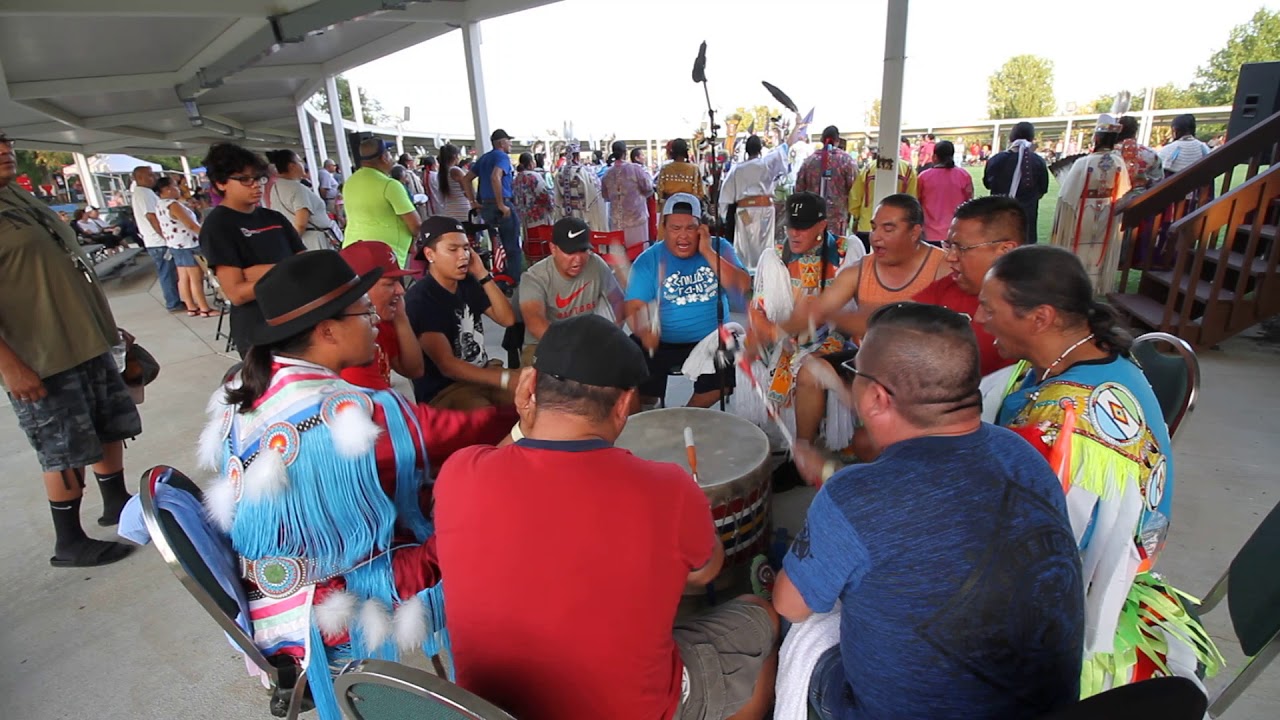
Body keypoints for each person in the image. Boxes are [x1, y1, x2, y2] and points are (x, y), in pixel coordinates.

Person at [434, 313, 780, 720]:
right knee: (761, 617)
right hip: (636, 708)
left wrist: (523, 423)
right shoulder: (667, 488)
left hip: (492, 711)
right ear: (623, 406)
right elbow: (706, 571)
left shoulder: (459, 472)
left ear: (529, 387)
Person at [774, 302, 1084, 720]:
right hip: (1049, 708)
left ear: (878, 398)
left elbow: (790, 605)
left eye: (856, 373)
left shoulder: (853, 496)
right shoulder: (1023, 455)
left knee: (788, 613)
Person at [198, 250, 447, 720]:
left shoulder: (255, 384)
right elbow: (441, 441)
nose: (375, 320)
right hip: (321, 605)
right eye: (365, 312)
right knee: (485, 541)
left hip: (277, 588)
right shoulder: (330, 411)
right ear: (326, 331)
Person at [981, 245, 1221, 697]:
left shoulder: (1069, 419)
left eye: (989, 308)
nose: (980, 317)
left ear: (1040, 317)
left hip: (1078, 613)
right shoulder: (1082, 357)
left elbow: (1040, 553)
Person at [0, 129, 139, 567]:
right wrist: (10, 367)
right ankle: (69, 541)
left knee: (108, 424)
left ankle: (116, 503)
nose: (6, 151)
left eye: (7, 143)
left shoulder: (18, 198)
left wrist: (105, 325)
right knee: (63, 446)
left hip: (86, 338)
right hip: (41, 355)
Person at [784, 194, 945, 448]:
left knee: (866, 445)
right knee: (810, 372)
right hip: (868, 363)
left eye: (888, 228)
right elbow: (819, 310)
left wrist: (833, 316)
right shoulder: (860, 269)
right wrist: (769, 331)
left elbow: (901, 324)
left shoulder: (942, 266)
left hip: (922, 372)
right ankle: (802, 452)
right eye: (874, 227)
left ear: (915, 232)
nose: (875, 236)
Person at [738, 192, 863, 451]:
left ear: (821, 225)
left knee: (811, 363)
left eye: (803, 228)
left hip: (836, 335)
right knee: (759, 351)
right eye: (790, 226)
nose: (794, 234)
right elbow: (757, 312)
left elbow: (859, 310)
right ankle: (797, 444)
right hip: (785, 335)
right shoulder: (774, 257)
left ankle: (808, 443)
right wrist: (774, 333)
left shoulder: (846, 251)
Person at [623, 193, 750, 409]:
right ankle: (646, 415)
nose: (683, 236)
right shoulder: (649, 259)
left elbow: (743, 287)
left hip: (712, 339)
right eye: (675, 228)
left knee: (729, 359)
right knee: (629, 358)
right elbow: (633, 307)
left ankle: (687, 416)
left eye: (690, 228)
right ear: (663, 228)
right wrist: (645, 331)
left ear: (701, 228)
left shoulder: (720, 248)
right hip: (662, 341)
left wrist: (708, 252)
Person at [198, 143, 306, 355]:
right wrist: (287, 269)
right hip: (258, 332)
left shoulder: (274, 218)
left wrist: (261, 272)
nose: (256, 185)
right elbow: (237, 293)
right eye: (245, 179)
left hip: (296, 321)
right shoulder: (218, 226)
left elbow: (305, 267)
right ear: (221, 183)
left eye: (258, 178)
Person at [405, 216, 517, 408]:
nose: (463, 255)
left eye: (466, 248)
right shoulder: (421, 298)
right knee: (486, 415)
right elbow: (448, 366)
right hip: (446, 390)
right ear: (430, 254)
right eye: (453, 249)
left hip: (482, 375)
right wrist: (503, 379)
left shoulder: (467, 283)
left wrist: (482, 274)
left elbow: (507, 319)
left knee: (537, 394)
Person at [517, 217, 624, 366]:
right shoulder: (534, 277)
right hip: (542, 344)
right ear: (553, 249)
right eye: (570, 252)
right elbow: (535, 323)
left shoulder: (596, 264)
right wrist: (573, 349)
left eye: (583, 251)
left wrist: (612, 334)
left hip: (586, 342)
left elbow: (618, 300)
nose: (578, 259)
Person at [1049, 114, 1131, 295]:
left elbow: (1066, 196)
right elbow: (1124, 194)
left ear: (1097, 138)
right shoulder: (1119, 163)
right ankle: (1094, 286)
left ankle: (1074, 285)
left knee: (1078, 248)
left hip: (1082, 213)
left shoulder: (1083, 163)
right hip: (1108, 213)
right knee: (1099, 249)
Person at [337, 241, 422, 390]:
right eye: (390, 284)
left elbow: (413, 370)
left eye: (398, 282)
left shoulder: (379, 319)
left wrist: (401, 318)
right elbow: (377, 407)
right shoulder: (350, 343)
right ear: (360, 289)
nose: (401, 290)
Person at [341, 137, 422, 267]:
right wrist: (416, 240)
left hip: (353, 250)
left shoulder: (350, 182)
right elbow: (415, 224)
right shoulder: (390, 185)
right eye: (389, 153)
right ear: (384, 157)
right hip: (385, 255)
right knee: (392, 287)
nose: (392, 158)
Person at [719, 134, 790, 273]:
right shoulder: (766, 164)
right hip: (765, 210)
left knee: (746, 245)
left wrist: (723, 215)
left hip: (745, 210)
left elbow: (725, 194)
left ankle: (746, 272)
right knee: (765, 243)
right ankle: (765, 272)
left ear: (746, 150)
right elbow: (784, 150)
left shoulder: (737, 169)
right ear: (760, 149)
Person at [154, 177, 217, 318]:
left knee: (183, 277)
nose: (179, 189)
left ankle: (191, 306)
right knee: (196, 278)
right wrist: (207, 236)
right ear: (167, 189)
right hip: (188, 244)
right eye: (175, 186)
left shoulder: (160, 204)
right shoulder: (173, 205)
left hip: (175, 244)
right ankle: (204, 308)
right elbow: (190, 225)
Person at [469, 128, 522, 283]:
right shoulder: (502, 157)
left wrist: (474, 202)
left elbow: (466, 179)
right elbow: (495, 177)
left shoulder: (484, 158)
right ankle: (514, 281)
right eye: (508, 141)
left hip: (486, 206)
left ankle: (499, 277)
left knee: (496, 244)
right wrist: (501, 204)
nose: (510, 144)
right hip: (501, 204)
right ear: (501, 143)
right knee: (512, 246)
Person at [983, 122, 1050, 244]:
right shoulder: (1037, 161)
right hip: (1026, 217)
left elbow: (987, 183)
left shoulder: (996, 159)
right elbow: (1043, 189)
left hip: (999, 214)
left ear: (1011, 137)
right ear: (1032, 138)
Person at [264, 149, 341, 252]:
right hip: (315, 242)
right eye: (300, 161)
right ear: (292, 166)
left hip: (302, 241)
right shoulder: (297, 188)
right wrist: (294, 244)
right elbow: (301, 223)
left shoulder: (276, 187)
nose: (303, 165)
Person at [130, 165, 183, 311]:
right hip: (158, 241)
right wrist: (166, 236)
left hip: (156, 240)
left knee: (169, 272)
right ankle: (173, 302)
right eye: (150, 175)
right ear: (139, 178)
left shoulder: (144, 193)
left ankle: (174, 300)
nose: (154, 178)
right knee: (167, 272)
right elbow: (152, 216)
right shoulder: (144, 193)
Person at [796, 126, 858, 236]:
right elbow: (854, 190)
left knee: (814, 248)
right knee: (837, 248)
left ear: (821, 140)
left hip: (813, 216)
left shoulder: (809, 161)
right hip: (837, 217)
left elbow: (799, 189)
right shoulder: (846, 160)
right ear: (837, 140)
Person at [601, 140, 654, 259]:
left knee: (621, 260)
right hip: (637, 220)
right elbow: (648, 187)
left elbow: (605, 196)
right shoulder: (635, 169)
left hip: (617, 222)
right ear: (625, 153)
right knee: (639, 256)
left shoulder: (607, 174)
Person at [848, 148, 916, 240]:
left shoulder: (868, 168)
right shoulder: (908, 170)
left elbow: (855, 198)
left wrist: (856, 217)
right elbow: (912, 200)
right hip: (897, 228)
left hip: (867, 224)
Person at [916, 141, 974, 243]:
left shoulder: (924, 177)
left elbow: (917, 203)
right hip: (955, 233)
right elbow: (969, 202)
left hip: (929, 234)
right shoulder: (964, 175)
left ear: (934, 157)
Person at [554, 141, 607, 231]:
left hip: (565, 213)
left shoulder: (559, 172)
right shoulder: (582, 171)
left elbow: (556, 196)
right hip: (581, 213)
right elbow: (593, 193)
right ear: (577, 156)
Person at [511, 152, 556, 248]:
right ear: (531, 163)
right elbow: (543, 194)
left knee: (530, 242)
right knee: (542, 244)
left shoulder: (516, 178)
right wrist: (551, 206)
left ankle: (531, 260)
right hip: (538, 216)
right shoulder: (533, 176)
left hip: (524, 217)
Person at [1117, 117, 1163, 194]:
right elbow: (1157, 183)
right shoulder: (1151, 154)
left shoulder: (1109, 154)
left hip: (1112, 201)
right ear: (1135, 132)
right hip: (1141, 201)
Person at [654, 138, 705, 205]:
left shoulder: (665, 169)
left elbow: (660, 190)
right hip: (690, 205)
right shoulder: (694, 169)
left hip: (669, 205)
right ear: (685, 152)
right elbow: (700, 192)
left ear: (672, 152)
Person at [437, 143, 476, 223]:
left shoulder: (441, 173)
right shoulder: (455, 170)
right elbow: (466, 188)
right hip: (462, 210)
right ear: (455, 156)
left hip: (449, 212)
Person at [397, 153, 428, 218]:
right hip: (415, 205)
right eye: (412, 160)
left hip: (419, 203)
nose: (414, 162)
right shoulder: (406, 174)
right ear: (407, 162)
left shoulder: (411, 173)